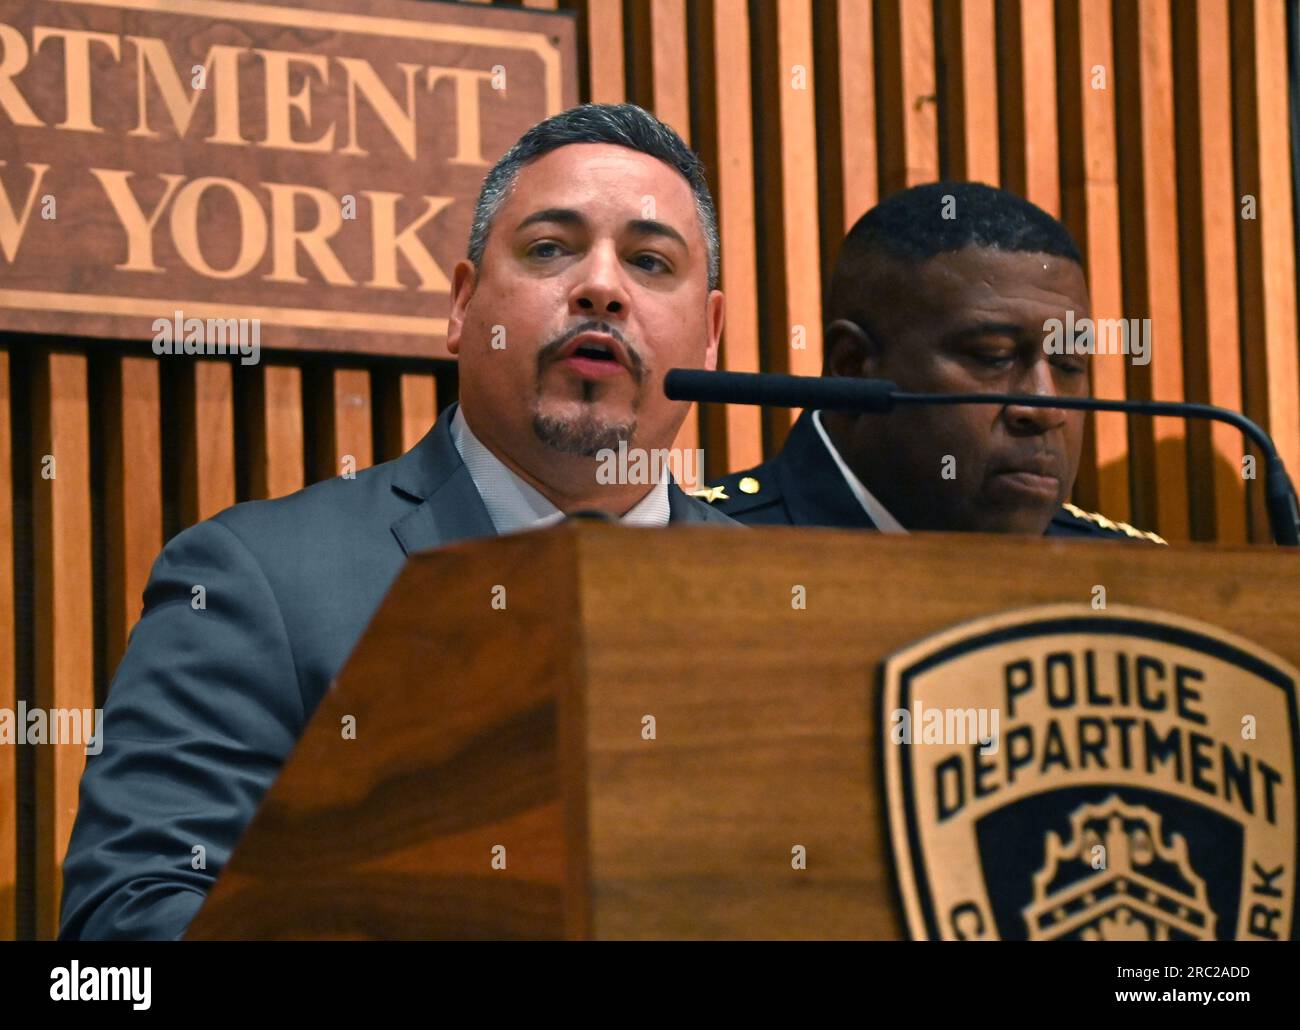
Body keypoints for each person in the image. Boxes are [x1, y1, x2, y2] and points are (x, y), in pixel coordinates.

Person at [59, 103, 733, 941]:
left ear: (708, 340)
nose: (601, 287)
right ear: (461, 307)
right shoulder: (256, 581)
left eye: (649, 261)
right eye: (550, 249)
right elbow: (122, 930)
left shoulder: (787, 602)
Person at [699, 182, 1164, 544]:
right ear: (852, 366)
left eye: (1068, 363)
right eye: (993, 357)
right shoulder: (698, 555)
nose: (1045, 407)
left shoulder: (1131, 578)